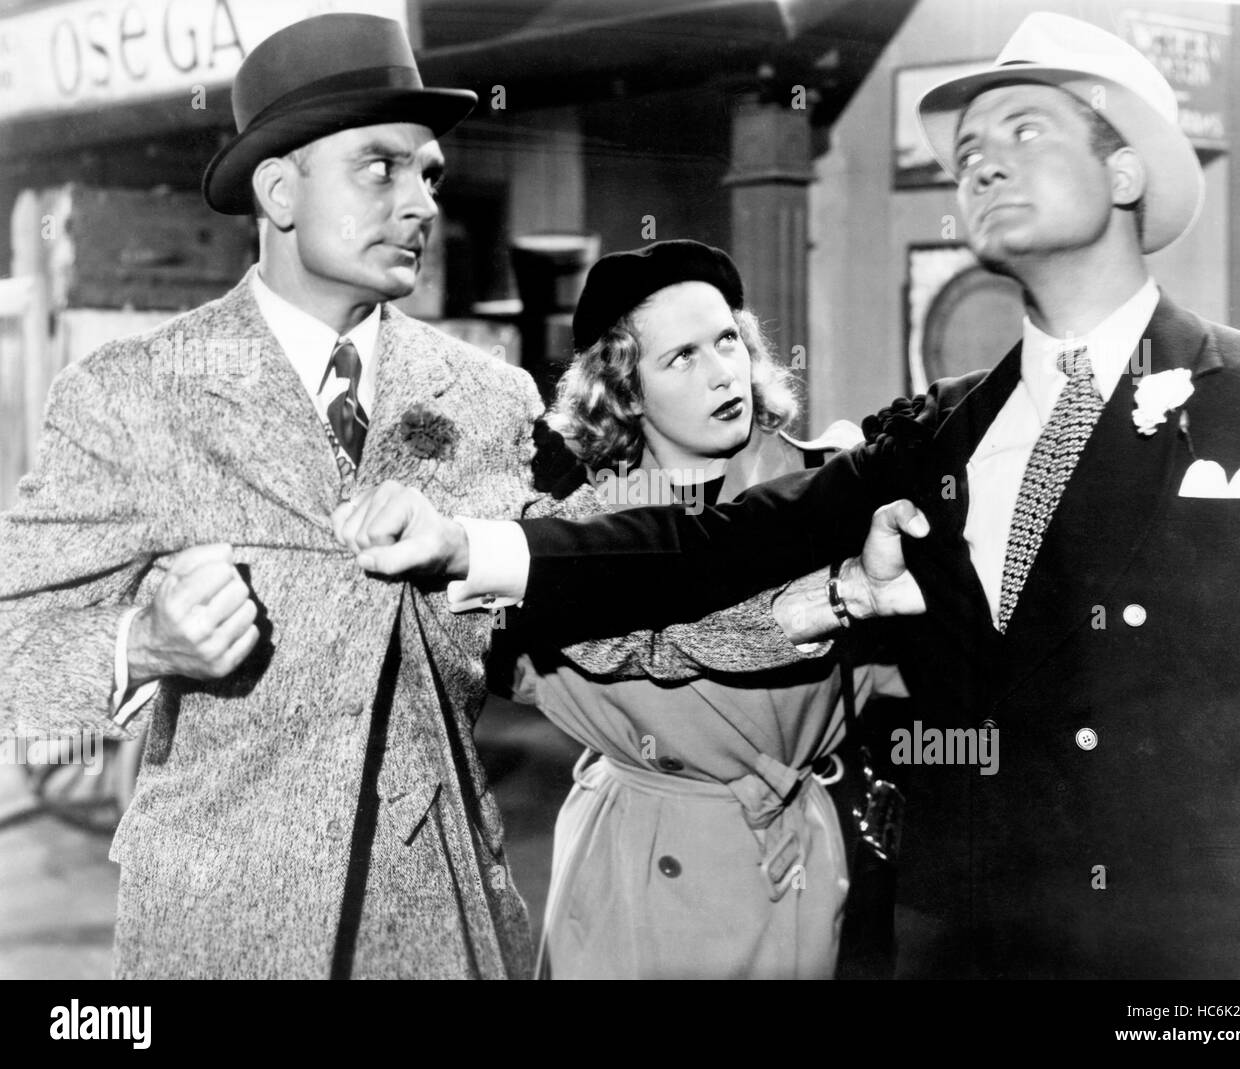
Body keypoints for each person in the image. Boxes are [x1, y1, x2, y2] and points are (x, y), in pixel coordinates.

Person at [337, 14, 1240, 979]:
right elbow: (706, 550)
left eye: (1027, 131)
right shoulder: (934, 431)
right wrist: (471, 548)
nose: (984, 164)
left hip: (1190, 953)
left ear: (1127, 174)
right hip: (958, 938)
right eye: (968, 151)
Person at [0, 13, 817, 980]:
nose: (422, 201)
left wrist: (814, 604)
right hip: (217, 923)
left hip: (442, 915)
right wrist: (145, 643)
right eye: (380, 168)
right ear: (279, 190)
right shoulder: (139, 391)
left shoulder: (487, 398)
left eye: (429, 173)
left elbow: (601, 606)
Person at [503, 239, 900, 978]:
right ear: (624, 391)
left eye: (727, 340)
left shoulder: (833, 491)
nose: (724, 373)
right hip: (638, 852)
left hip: (794, 853)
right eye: (681, 357)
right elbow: (527, 665)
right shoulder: (576, 537)